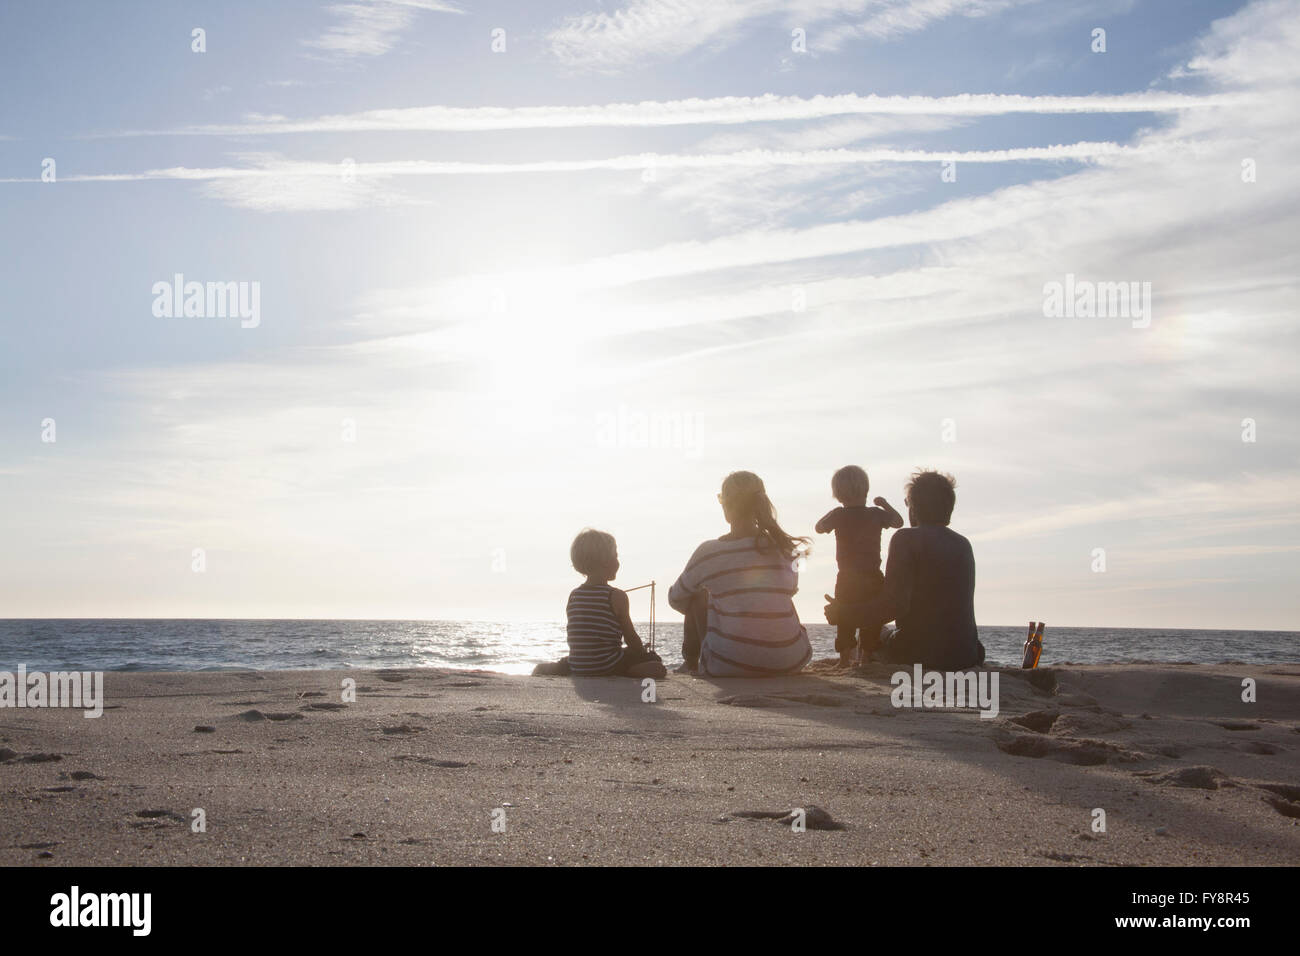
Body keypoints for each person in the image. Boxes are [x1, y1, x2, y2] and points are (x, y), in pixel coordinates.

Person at [827, 469, 983, 671]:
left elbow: (893, 605)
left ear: (913, 509)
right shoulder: (963, 544)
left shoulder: (906, 539)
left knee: (873, 633)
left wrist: (844, 614)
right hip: (965, 655)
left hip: (918, 654)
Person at [668, 471, 812, 677]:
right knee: (779, 595)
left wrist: (715, 606)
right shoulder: (784, 548)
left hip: (729, 664)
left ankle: (690, 662)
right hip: (792, 660)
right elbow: (791, 589)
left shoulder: (709, 552)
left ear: (726, 505)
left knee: (696, 595)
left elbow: (676, 598)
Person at [814, 465, 903, 667]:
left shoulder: (838, 515)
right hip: (872, 574)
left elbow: (819, 528)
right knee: (872, 618)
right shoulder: (875, 513)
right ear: (866, 489)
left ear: (837, 493)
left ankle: (844, 660)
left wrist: (832, 513)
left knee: (844, 617)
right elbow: (898, 521)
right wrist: (885, 504)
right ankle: (865, 658)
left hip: (847, 576)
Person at [561, 528, 666, 678]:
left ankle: (548, 669)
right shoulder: (616, 596)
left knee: (558, 665)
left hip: (578, 666)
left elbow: (587, 637)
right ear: (605, 562)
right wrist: (642, 653)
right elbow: (630, 637)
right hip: (608, 665)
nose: (617, 561)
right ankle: (628, 671)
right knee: (656, 664)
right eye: (615, 556)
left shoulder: (574, 595)